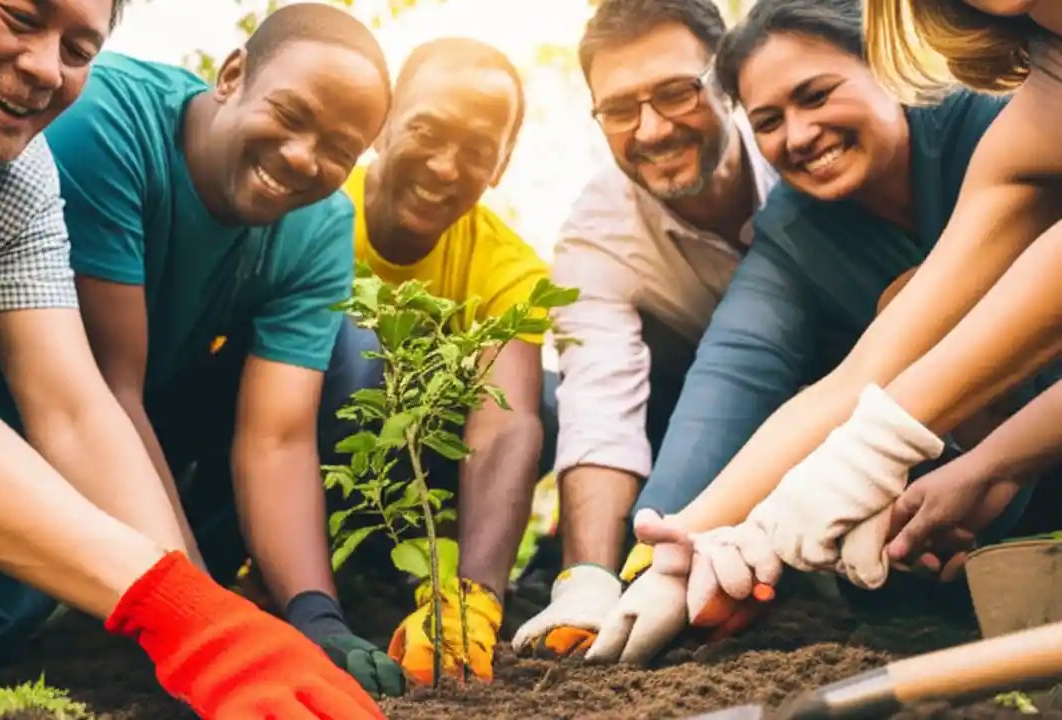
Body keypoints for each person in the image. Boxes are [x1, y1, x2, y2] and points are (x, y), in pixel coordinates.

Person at [0, 0, 388, 716]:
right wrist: (188, 617)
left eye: (77, 48)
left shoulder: (19, 175)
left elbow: (75, 408)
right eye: (17, 16)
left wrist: (208, 623)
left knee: (10, 590)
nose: (44, 67)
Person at [593, 0, 1062, 665]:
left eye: (817, 95)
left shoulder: (985, 112)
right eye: (769, 121)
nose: (801, 133)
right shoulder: (1037, 107)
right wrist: (671, 546)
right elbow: (771, 376)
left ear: (883, 66)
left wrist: (884, 452)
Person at [510, 0, 779, 660]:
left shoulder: (800, 152)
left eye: (675, 93)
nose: (651, 128)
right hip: (696, 419)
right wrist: (589, 579)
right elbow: (600, 401)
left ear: (729, 79)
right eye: (621, 108)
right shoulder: (597, 234)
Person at [320, 37, 551, 685]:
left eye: (479, 149)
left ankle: (409, 579)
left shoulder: (508, 266)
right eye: (426, 129)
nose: (447, 167)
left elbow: (507, 424)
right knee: (367, 353)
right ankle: (280, 566)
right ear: (382, 125)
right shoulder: (317, 211)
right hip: (290, 450)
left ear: (502, 165)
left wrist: (474, 598)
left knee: (544, 399)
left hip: (418, 477)